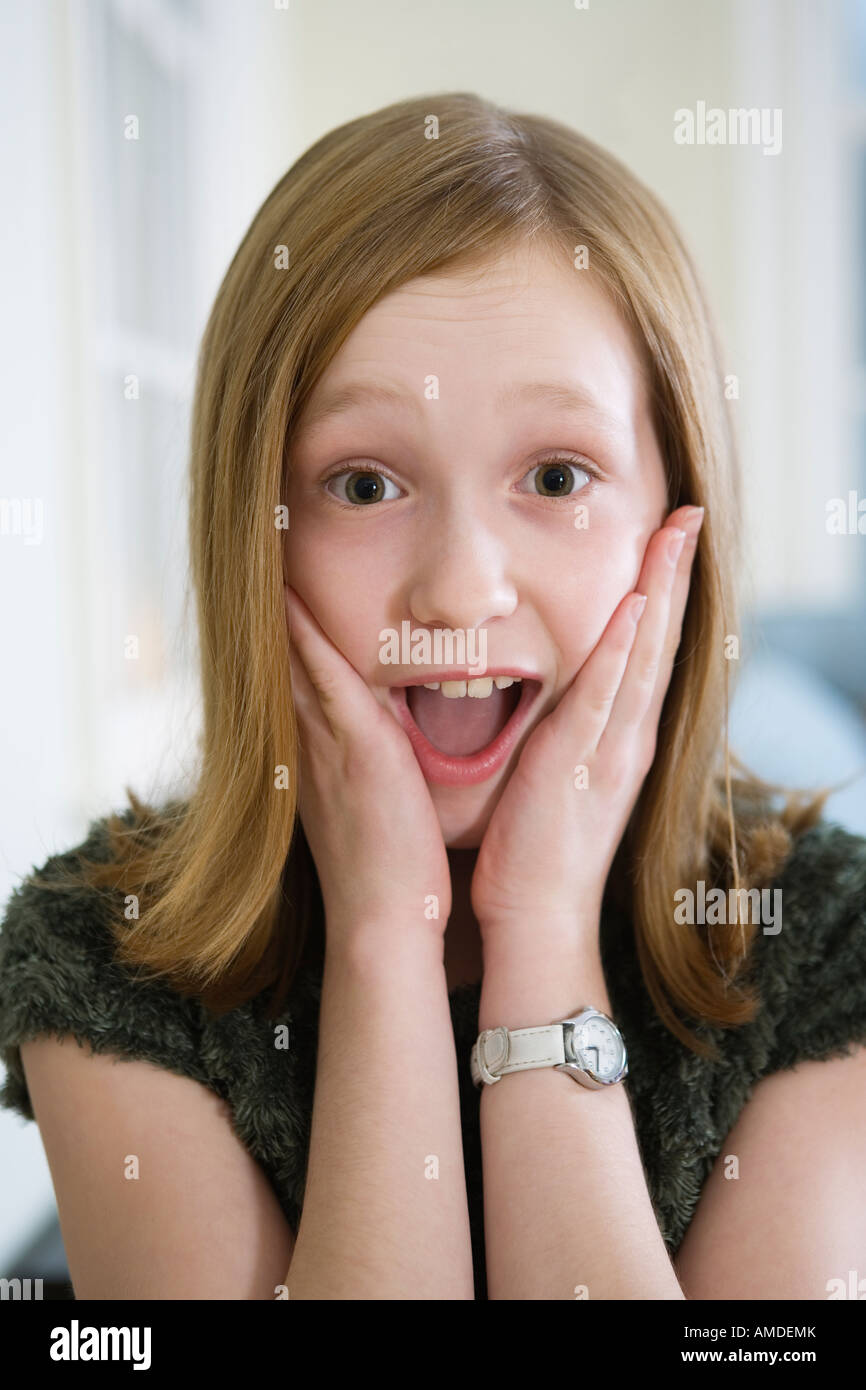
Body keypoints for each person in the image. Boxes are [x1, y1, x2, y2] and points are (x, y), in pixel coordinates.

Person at [1, 92, 865, 1301]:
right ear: (257, 529)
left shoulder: (825, 946)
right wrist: (381, 939)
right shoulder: (104, 956)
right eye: (362, 483)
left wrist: (545, 931)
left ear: (676, 529)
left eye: (555, 474)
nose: (457, 590)